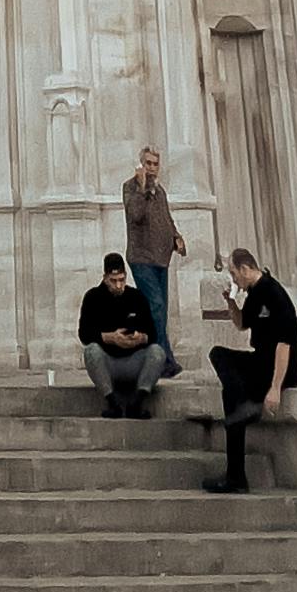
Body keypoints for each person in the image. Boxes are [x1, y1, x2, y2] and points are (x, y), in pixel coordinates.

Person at [203, 244, 297, 492]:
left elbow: (284, 343)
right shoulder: (254, 293)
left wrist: (275, 389)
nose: (233, 278)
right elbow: (242, 324)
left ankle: (235, 477)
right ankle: (235, 476)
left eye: (234, 273)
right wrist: (231, 302)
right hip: (261, 362)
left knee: (232, 400)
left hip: (279, 368)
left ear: (245, 269)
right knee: (220, 358)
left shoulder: (272, 292)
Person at [77, 255, 169, 418]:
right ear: (105, 277)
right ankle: (112, 402)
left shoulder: (136, 297)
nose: (118, 285)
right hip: (109, 363)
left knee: (157, 352)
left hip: (134, 360)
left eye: (121, 279)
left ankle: (138, 402)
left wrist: (140, 338)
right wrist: (110, 337)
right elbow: (84, 334)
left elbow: (153, 334)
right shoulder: (93, 297)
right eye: (113, 281)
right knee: (91, 351)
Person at [121, 147, 185, 375]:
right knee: (156, 305)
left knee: (160, 310)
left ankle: (156, 359)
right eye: (147, 163)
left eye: (155, 164)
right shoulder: (131, 188)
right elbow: (135, 215)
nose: (151, 168)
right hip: (141, 258)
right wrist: (141, 187)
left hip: (161, 259)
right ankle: (164, 360)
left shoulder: (160, 192)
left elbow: (167, 219)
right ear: (140, 165)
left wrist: (176, 237)